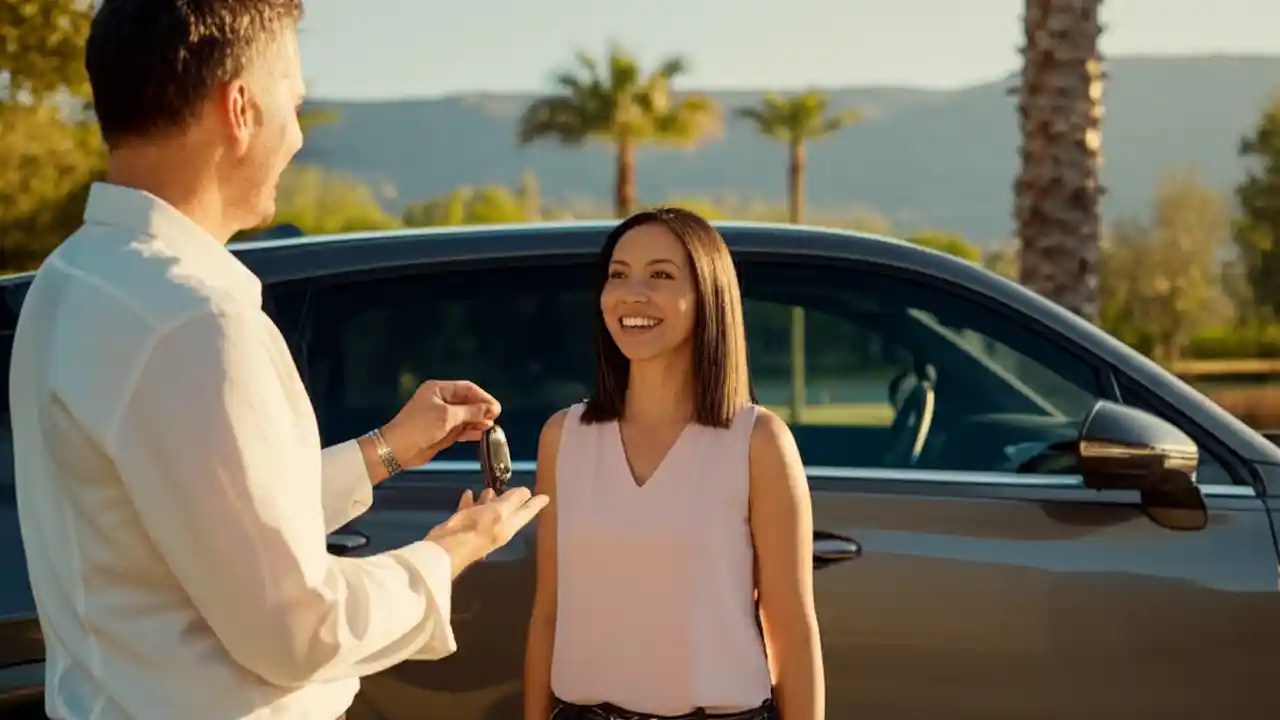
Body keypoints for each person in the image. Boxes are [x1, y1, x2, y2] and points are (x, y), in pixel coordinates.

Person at [7, 1, 547, 718]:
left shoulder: (70, 279)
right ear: (240, 109)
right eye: (293, 105)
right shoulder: (193, 321)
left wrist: (385, 450)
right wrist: (448, 553)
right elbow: (297, 628)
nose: (296, 137)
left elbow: (201, 520)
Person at [523, 208, 825, 720]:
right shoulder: (564, 437)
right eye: (618, 274)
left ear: (708, 296)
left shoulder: (758, 442)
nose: (632, 294)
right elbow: (548, 611)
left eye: (660, 275)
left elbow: (792, 628)